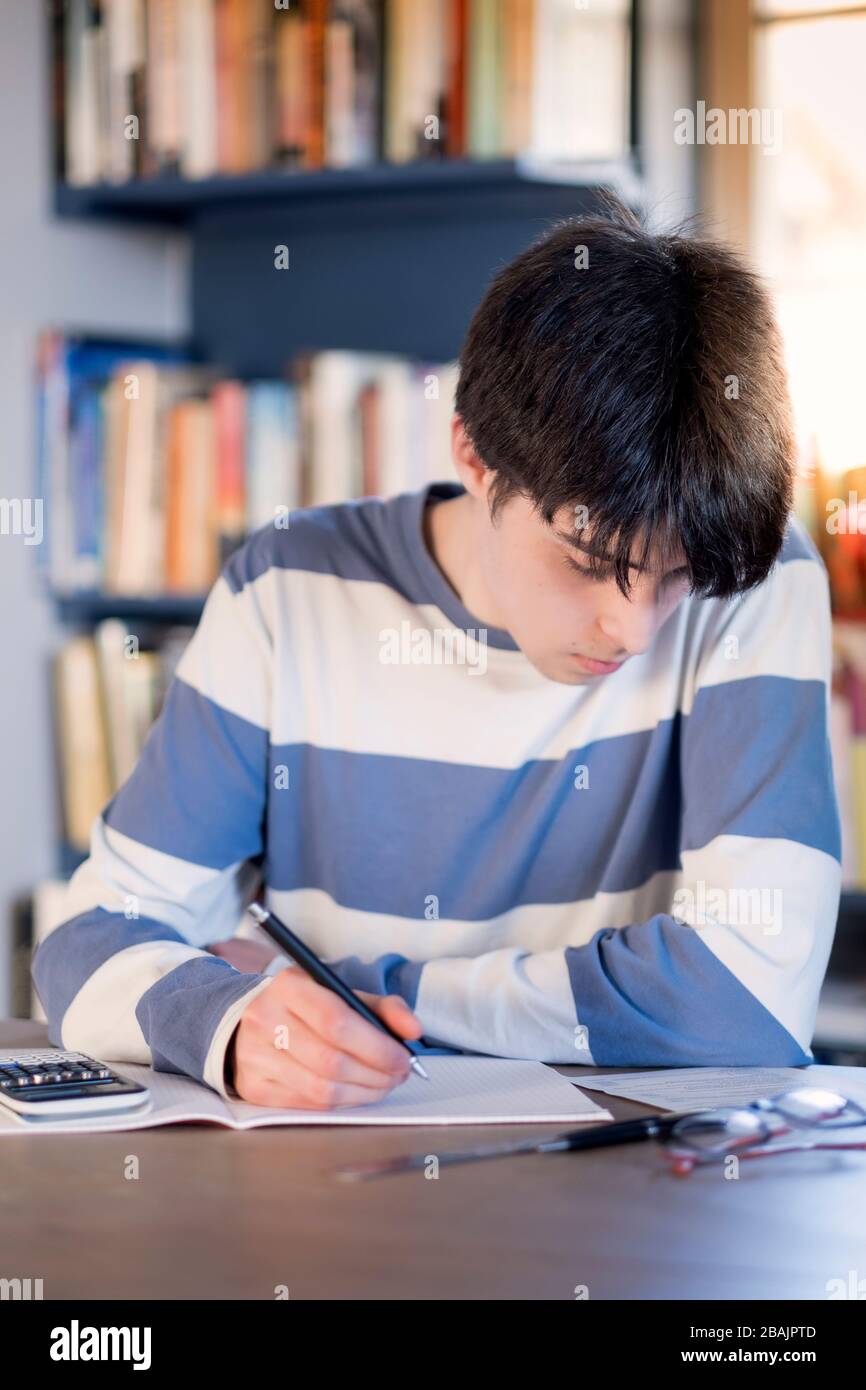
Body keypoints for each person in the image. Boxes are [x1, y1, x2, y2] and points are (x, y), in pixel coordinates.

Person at [33, 196, 840, 1109]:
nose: (637, 629)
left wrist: (362, 992)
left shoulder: (756, 579)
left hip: (634, 1206)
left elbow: (747, 996)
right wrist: (229, 1023)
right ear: (474, 454)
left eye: (677, 576)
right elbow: (85, 942)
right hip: (329, 1197)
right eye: (588, 563)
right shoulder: (287, 590)